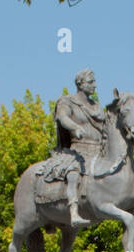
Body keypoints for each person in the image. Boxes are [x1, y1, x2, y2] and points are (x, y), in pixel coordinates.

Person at [50, 68, 109, 227]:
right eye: (91, 82)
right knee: (73, 172)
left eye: (94, 82)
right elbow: (62, 117)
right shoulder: (67, 101)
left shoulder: (96, 106)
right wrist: (74, 127)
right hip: (78, 150)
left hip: (98, 150)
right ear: (80, 84)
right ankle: (74, 211)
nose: (95, 85)